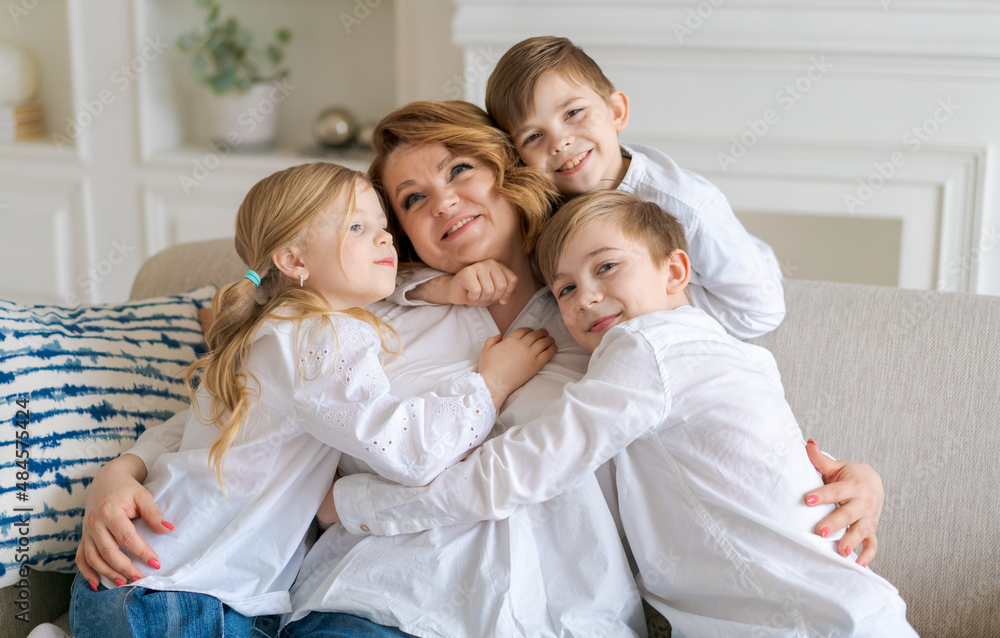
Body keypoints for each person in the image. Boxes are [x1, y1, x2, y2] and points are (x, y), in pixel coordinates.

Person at [76, 101, 885, 637]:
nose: (443, 203)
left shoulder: (610, 310)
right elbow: (246, 408)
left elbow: (723, 403)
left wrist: (853, 479)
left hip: (560, 613)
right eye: (411, 199)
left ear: (508, 172)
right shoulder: (367, 315)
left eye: (459, 170)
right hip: (379, 601)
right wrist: (125, 469)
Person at [326, 191, 915, 636]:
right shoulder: (719, 354)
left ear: (675, 271)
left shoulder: (647, 348)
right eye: (564, 289)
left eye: (606, 268)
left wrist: (353, 506)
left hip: (810, 621)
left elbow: (518, 470)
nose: (585, 297)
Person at [69, 162, 556, 637]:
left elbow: (191, 425)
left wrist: (126, 465)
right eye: (358, 227)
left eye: (383, 226)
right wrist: (490, 384)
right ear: (294, 261)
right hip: (183, 592)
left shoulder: (271, 330)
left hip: (148, 580)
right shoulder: (324, 336)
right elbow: (408, 451)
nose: (384, 239)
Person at [416, 35, 784, 341]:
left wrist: (651, 311)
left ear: (616, 111)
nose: (560, 142)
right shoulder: (540, 204)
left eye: (573, 113)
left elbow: (761, 310)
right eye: (534, 136)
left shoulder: (688, 205)